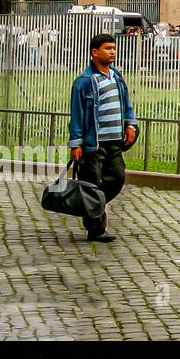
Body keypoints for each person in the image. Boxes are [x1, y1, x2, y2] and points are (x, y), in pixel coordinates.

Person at [68, 33, 138, 243]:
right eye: (108, 48)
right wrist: (76, 143)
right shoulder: (84, 82)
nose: (113, 51)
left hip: (115, 141)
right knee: (90, 183)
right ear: (94, 52)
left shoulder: (116, 77)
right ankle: (96, 229)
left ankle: (91, 205)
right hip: (93, 144)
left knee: (117, 177)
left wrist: (131, 124)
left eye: (114, 48)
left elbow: (127, 104)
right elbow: (77, 115)